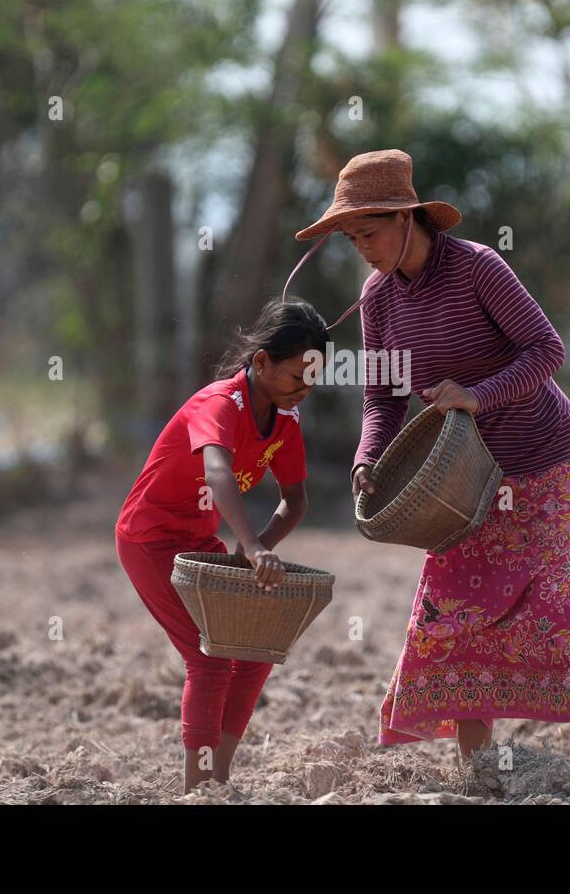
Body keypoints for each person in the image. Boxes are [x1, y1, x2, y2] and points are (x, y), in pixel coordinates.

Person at [294, 148, 570, 766]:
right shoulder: (378, 298)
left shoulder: (477, 268)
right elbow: (383, 397)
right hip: (463, 482)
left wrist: (478, 395)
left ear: (406, 217)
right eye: (350, 237)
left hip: (544, 462)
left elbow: (547, 350)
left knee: (552, 606)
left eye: (368, 231)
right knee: (455, 612)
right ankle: (479, 773)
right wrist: (368, 458)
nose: (361, 246)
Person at [114, 298, 327, 792]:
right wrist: (251, 548)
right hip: (149, 538)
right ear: (261, 363)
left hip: (199, 540)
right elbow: (218, 472)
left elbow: (295, 501)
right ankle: (198, 791)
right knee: (208, 658)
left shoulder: (286, 423)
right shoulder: (219, 404)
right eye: (297, 376)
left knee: (254, 648)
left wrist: (253, 546)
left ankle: (217, 780)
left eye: (314, 378)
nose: (306, 389)